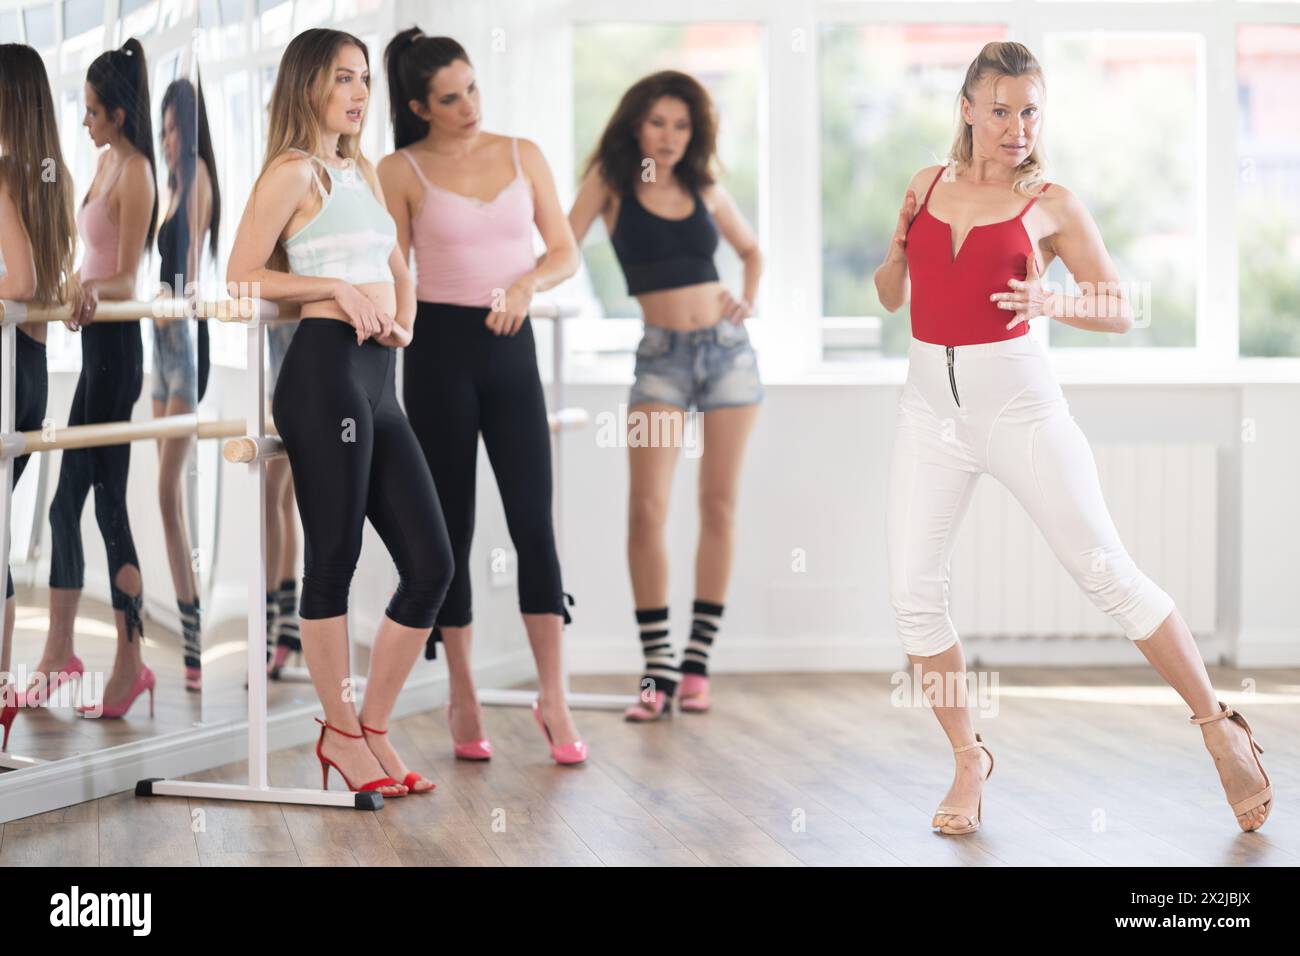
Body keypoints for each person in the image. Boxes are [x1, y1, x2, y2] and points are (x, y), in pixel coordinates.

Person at [874, 41, 1272, 835]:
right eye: (1001, 109)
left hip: (1020, 408)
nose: (1017, 126)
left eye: (1029, 111)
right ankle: (967, 759)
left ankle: (1217, 726)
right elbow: (891, 298)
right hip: (929, 411)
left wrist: (1050, 305)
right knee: (913, 594)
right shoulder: (924, 186)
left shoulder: (1050, 201)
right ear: (966, 109)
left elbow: (1118, 308)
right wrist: (898, 240)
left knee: (1107, 574)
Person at [226, 27, 454, 797]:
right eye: (343, 79)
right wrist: (333, 292)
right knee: (336, 561)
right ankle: (339, 731)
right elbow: (242, 275)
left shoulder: (357, 170)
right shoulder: (292, 173)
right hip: (322, 378)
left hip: (379, 379)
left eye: (364, 79)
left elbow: (398, 262)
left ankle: (370, 728)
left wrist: (408, 318)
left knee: (432, 564)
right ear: (308, 88)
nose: (359, 93)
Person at [379, 28, 586, 764]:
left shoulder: (522, 152)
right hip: (435, 355)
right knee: (452, 531)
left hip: (510, 350)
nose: (468, 106)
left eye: (471, 89)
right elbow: (392, 268)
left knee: (534, 522)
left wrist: (527, 284)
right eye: (449, 98)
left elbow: (564, 249)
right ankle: (462, 690)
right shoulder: (398, 169)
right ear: (417, 106)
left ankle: (552, 696)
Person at [568, 71, 763, 720]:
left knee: (719, 506)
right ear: (634, 124)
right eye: (658, 122)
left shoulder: (704, 187)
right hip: (661, 364)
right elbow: (560, 250)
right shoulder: (611, 186)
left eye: (682, 125)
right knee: (647, 508)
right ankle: (657, 669)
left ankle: (697, 663)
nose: (671, 136)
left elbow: (751, 252)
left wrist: (747, 299)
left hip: (729, 357)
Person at [29, 38, 157, 720]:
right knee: (84, 506)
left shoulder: (136, 172)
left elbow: (132, 275)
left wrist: (93, 289)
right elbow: (95, 261)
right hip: (93, 353)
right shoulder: (105, 162)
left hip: (119, 355)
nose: (82, 122)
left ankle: (111, 659)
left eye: (90, 111)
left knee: (95, 506)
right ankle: (70, 654)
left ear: (117, 112)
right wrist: (72, 283)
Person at [0, 43, 77, 747]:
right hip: (29, 381)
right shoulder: (51, 176)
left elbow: (20, 282)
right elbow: (59, 282)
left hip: (4, 380)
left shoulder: (2, 177)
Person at [154, 76, 219, 692]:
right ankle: (188, 635)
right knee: (164, 498)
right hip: (159, 342)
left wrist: (174, 302)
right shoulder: (170, 184)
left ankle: (196, 641)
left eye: (178, 126)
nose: (171, 137)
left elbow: (193, 271)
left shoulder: (196, 175)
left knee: (169, 488)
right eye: (165, 127)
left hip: (186, 340)